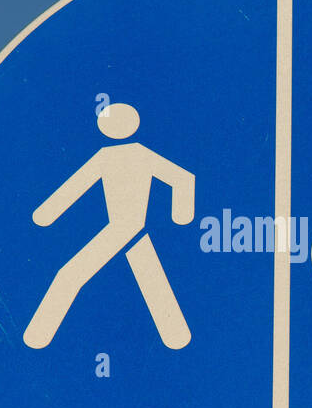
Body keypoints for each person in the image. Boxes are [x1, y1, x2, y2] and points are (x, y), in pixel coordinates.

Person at [23, 103, 196, 349]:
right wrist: (46, 214)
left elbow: (182, 179)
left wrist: (182, 214)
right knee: (151, 278)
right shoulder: (114, 156)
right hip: (129, 229)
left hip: (125, 228)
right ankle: (177, 338)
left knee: (69, 274)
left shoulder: (134, 155)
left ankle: (37, 337)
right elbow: (75, 187)